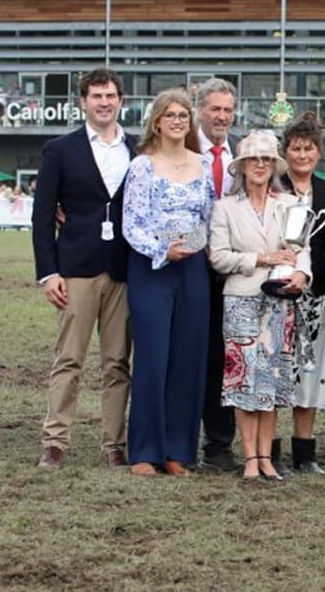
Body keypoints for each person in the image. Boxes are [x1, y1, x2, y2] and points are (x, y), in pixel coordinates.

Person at [31, 68, 135, 469]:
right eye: (96, 96)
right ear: (83, 102)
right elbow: (42, 217)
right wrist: (48, 273)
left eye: (110, 95)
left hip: (122, 269)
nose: (104, 102)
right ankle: (55, 441)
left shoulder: (138, 150)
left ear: (120, 100)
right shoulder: (60, 149)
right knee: (69, 358)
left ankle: (115, 444)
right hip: (75, 269)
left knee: (117, 362)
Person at [210, 131, 311, 481]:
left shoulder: (289, 205)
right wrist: (263, 258)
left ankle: (267, 456)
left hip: (279, 303)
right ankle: (250, 457)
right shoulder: (225, 208)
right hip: (239, 300)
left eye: (266, 159)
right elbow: (219, 258)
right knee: (242, 382)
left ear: (273, 165)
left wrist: (301, 274)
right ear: (241, 166)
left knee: (272, 381)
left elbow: (302, 249)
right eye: (254, 159)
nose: (260, 165)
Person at [122, 88, 213, 476]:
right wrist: (163, 251)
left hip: (192, 268)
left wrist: (190, 247)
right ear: (156, 121)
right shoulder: (143, 166)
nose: (178, 121)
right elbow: (132, 223)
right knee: (154, 359)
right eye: (170, 115)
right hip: (151, 267)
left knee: (188, 361)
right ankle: (145, 450)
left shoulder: (203, 163)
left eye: (184, 115)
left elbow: (208, 218)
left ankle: (177, 450)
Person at [280, 111, 325, 474]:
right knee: (277, 372)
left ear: (318, 152)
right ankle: (269, 452)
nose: (302, 155)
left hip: (317, 295)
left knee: (309, 372)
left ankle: (305, 454)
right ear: (285, 151)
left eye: (308, 148)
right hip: (276, 294)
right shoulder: (273, 185)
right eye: (295, 148)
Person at [196, 78, 245, 473]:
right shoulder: (176, 146)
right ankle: (176, 438)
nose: (222, 117)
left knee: (225, 358)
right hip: (187, 267)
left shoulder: (243, 154)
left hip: (231, 273)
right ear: (200, 109)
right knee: (187, 356)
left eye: (228, 110)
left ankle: (219, 443)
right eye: (215, 109)